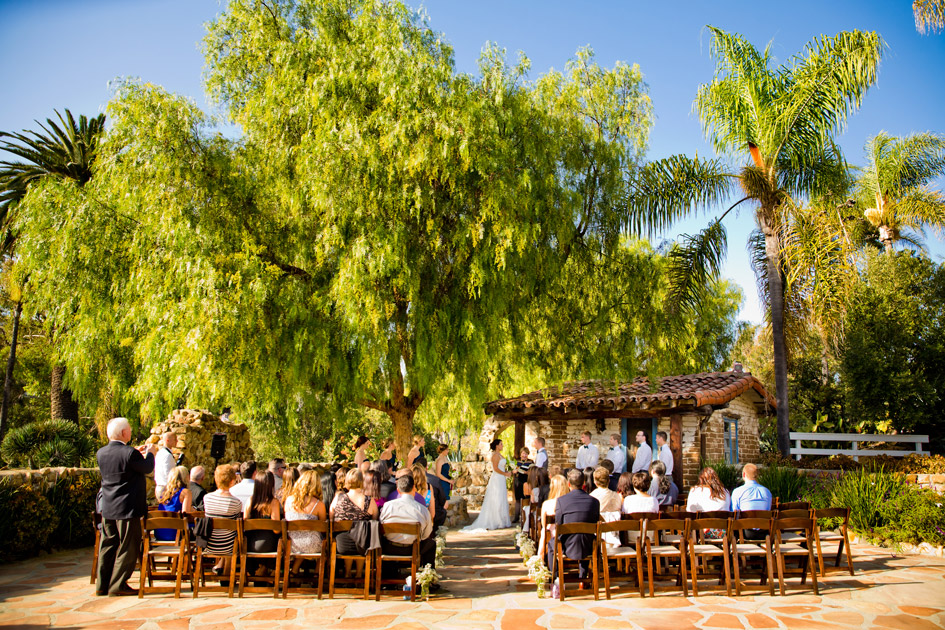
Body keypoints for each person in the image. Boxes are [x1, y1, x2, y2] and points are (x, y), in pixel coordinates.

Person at [96, 417, 157, 596]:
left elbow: (122, 466)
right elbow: (146, 468)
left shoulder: (101, 453)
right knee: (128, 546)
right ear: (124, 433)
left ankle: (102, 585)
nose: (130, 431)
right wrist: (151, 453)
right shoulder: (130, 454)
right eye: (129, 429)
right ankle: (118, 585)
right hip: (127, 507)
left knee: (108, 544)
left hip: (108, 506)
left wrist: (135, 453)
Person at [552, 468, 601, 579]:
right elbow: (595, 521)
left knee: (551, 545)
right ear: (583, 483)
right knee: (585, 534)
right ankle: (583, 577)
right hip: (588, 545)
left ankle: (556, 578)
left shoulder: (561, 501)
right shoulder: (594, 501)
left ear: (569, 484)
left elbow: (558, 523)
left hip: (567, 545)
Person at [379, 473, 436, 569]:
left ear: (398, 490)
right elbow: (426, 534)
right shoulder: (422, 509)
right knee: (431, 544)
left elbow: (381, 524)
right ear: (414, 488)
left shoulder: (387, 506)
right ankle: (427, 576)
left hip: (389, 547)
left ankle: (388, 576)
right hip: (411, 549)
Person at [330, 469, 378, 564]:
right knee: (363, 535)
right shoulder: (369, 500)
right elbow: (375, 519)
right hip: (362, 545)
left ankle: (347, 573)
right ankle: (359, 574)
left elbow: (331, 519)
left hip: (342, 545)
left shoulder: (338, 498)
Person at [462, 439, 512, 531]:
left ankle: (502, 520)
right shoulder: (495, 456)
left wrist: (506, 472)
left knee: (501, 497)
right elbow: (496, 469)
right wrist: (505, 474)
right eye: (501, 444)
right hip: (497, 478)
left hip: (501, 478)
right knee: (497, 497)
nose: (502, 445)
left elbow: (501, 467)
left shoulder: (500, 455)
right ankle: (496, 520)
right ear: (497, 446)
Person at [203, 464, 243, 574]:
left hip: (210, 542)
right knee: (234, 533)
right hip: (228, 544)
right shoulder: (236, 502)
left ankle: (221, 567)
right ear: (232, 481)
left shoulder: (207, 498)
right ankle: (226, 572)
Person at [284, 470, 327, 573]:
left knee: (303, 538)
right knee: (326, 547)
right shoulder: (318, 504)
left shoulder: (289, 501)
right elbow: (323, 527)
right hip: (312, 544)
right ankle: (317, 574)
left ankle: (294, 571)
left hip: (292, 544)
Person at [536, 474, 568, 565]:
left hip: (553, 535)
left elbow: (543, 523)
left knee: (545, 530)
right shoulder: (569, 503)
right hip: (569, 534)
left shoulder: (547, 504)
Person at [156, 466, 193, 541]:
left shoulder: (164, 492)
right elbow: (185, 514)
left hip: (160, 533)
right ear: (186, 477)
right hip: (176, 534)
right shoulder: (185, 492)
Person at [154, 431, 177, 501]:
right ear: (168, 440)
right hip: (165, 488)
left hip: (160, 487)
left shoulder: (160, 453)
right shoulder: (167, 455)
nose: (177, 441)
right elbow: (168, 474)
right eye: (175, 439)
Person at [512, 447, 532, 523]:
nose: (524, 455)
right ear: (521, 454)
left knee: (526, 499)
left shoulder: (530, 462)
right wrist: (514, 471)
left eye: (526, 454)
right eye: (523, 453)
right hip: (518, 481)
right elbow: (513, 471)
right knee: (518, 499)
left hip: (526, 482)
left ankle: (525, 517)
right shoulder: (516, 462)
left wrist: (524, 472)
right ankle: (516, 517)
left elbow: (531, 472)